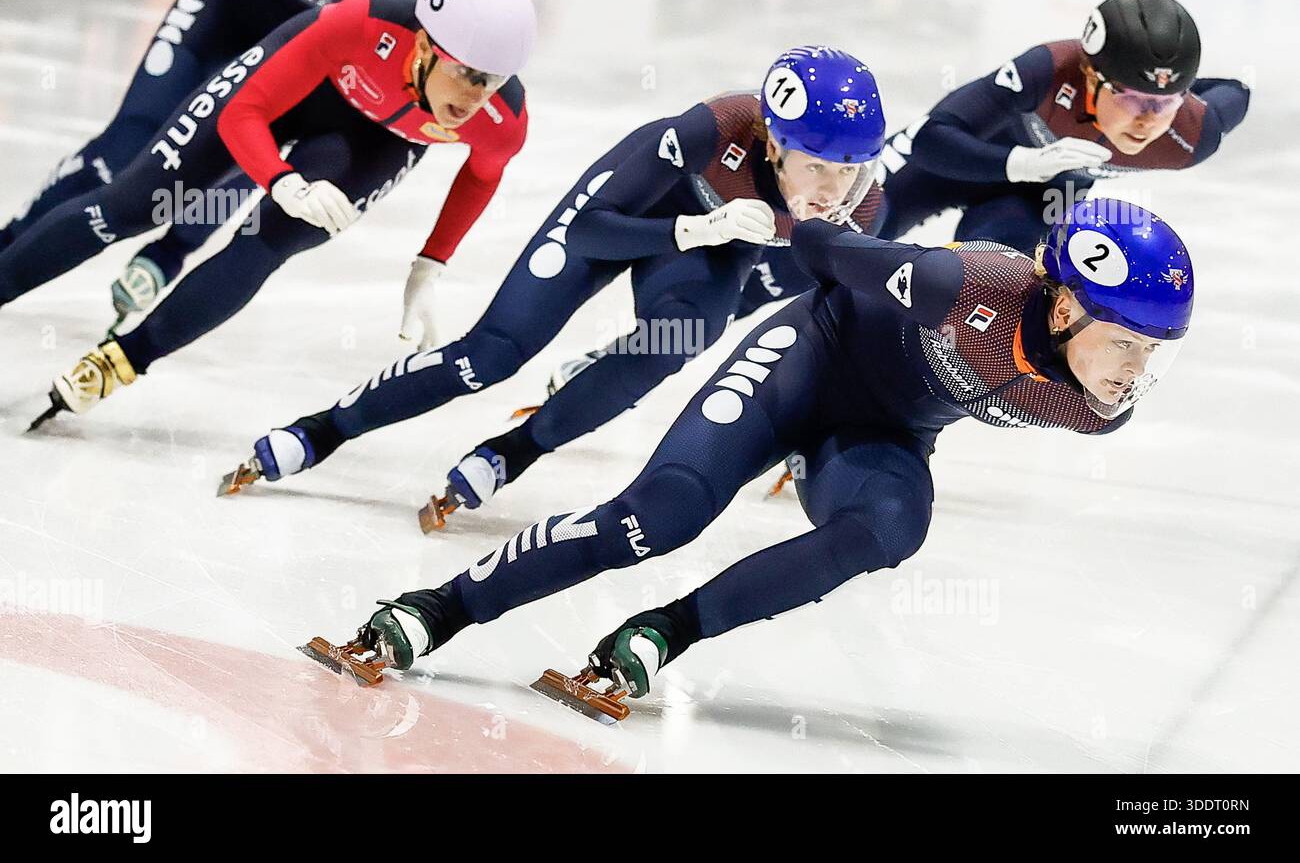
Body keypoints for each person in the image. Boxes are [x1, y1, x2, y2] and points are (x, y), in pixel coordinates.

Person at [313, 196, 1195, 702]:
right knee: (661, 518)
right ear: (1068, 308)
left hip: (878, 436)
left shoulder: (1094, 407)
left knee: (892, 524)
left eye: (1152, 353)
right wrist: (813, 220)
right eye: (1128, 343)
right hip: (804, 362)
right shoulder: (961, 286)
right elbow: (827, 249)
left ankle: (663, 632)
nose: (1133, 373)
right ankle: (442, 607)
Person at [221, 47, 888, 519]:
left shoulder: (861, 206)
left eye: (851, 170)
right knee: (490, 356)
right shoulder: (711, 130)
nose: (833, 190)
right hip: (633, 213)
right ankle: (323, 430)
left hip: (711, 245)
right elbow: (592, 231)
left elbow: (831, 328)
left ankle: (513, 450)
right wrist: (696, 229)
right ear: (772, 143)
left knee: (679, 339)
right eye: (818, 167)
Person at [12, 0, 535, 428]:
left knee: (267, 244)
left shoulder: (502, 118)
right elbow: (243, 113)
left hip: (366, 142)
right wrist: (281, 180)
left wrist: (431, 264)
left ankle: (123, 361)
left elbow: (481, 175)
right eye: (466, 74)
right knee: (131, 208)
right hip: (293, 90)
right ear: (423, 46)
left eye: (492, 81)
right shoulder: (363, 19)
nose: (476, 97)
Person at [0, 0, 448, 320]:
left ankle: (170, 252)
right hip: (224, 20)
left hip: (294, 54)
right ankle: (13, 239)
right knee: (123, 150)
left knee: (241, 152)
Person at [872, 0, 1249, 252]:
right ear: (1089, 75)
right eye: (1133, 99)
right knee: (843, 228)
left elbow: (1238, 91)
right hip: (956, 161)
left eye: (1165, 102)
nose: (1149, 120)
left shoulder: (1191, 135)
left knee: (984, 284)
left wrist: (1159, 89)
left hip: (1039, 196)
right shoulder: (1048, 71)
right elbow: (929, 138)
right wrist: (1023, 162)